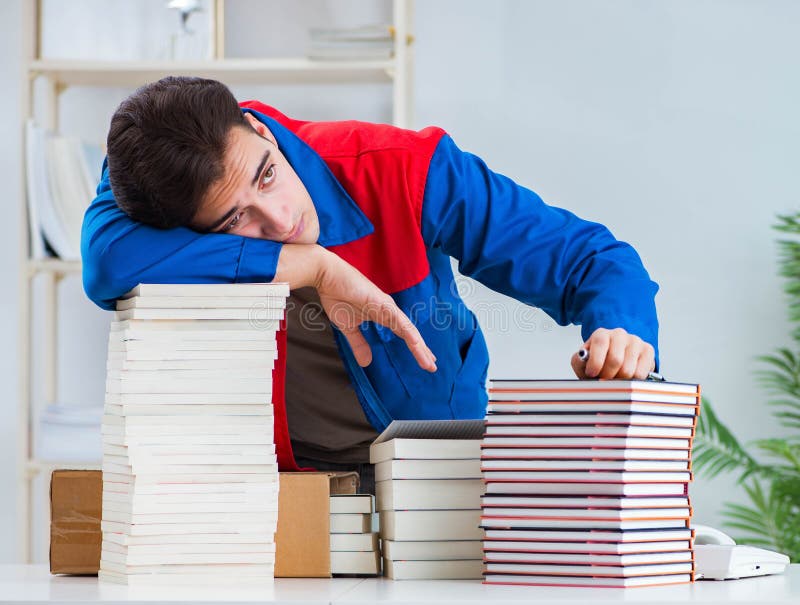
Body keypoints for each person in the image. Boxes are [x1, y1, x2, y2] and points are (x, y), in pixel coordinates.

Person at [82, 76, 659, 493]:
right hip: (272, 498)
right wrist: (316, 267)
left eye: (268, 175)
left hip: (434, 491)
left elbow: (591, 258)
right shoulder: (157, 196)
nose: (280, 221)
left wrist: (620, 330)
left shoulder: (401, 168)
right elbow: (105, 264)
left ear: (260, 129)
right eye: (236, 222)